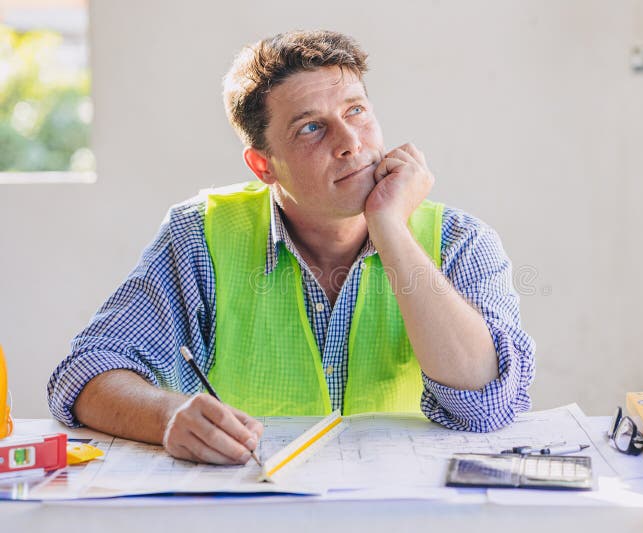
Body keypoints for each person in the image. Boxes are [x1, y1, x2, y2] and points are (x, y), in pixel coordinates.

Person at [47, 30, 535, 465]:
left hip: (409, 514)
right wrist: (168, 415)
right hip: (252, 511)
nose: (350, 143)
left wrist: (390, 228)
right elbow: (85, 375)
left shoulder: (459, 240)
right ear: (263, 165)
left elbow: (484, 404)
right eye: (310, 127)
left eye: (356, 111)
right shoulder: (200, 234)